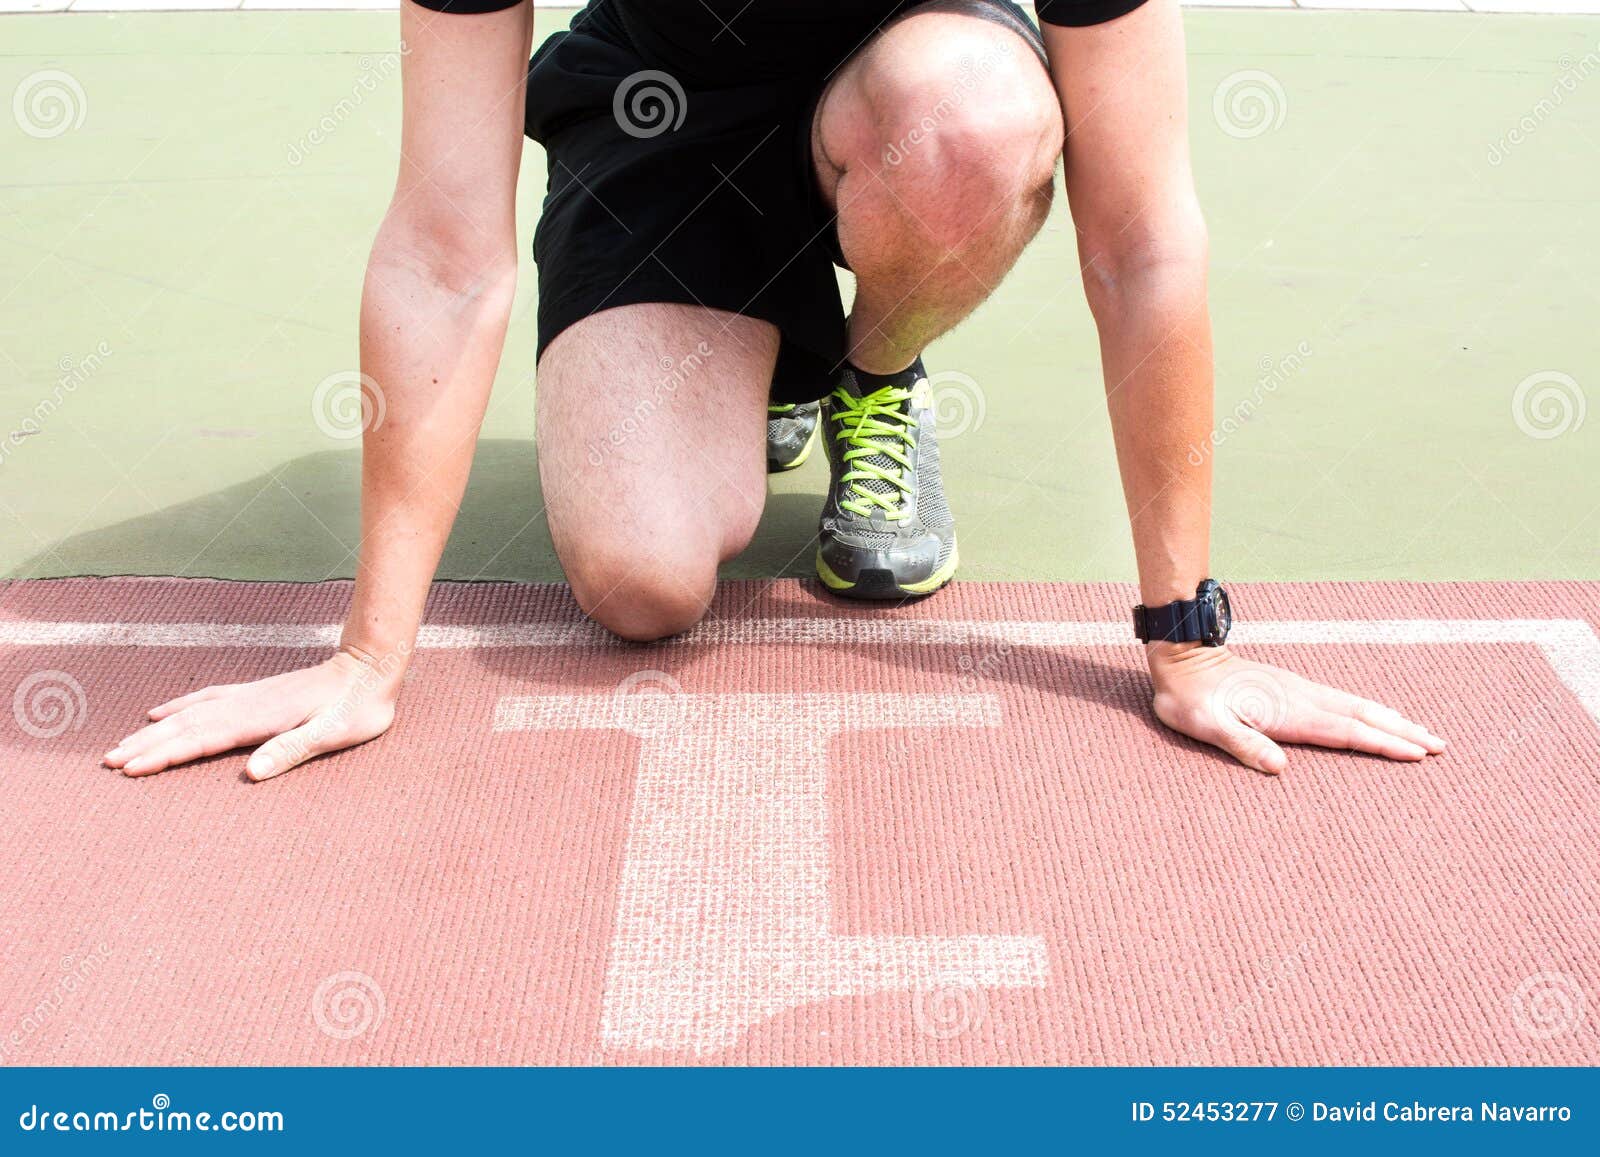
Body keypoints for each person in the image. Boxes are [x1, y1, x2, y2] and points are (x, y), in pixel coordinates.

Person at [102, 0, 1446, 781]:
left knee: (960, 116)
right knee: (641, 580)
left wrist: (1186, 634)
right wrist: (366, 657)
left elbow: (1143, 238)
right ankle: (754, 359)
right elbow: (444, 248)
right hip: (663, 114)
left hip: (917, 94)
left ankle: (871, 369)